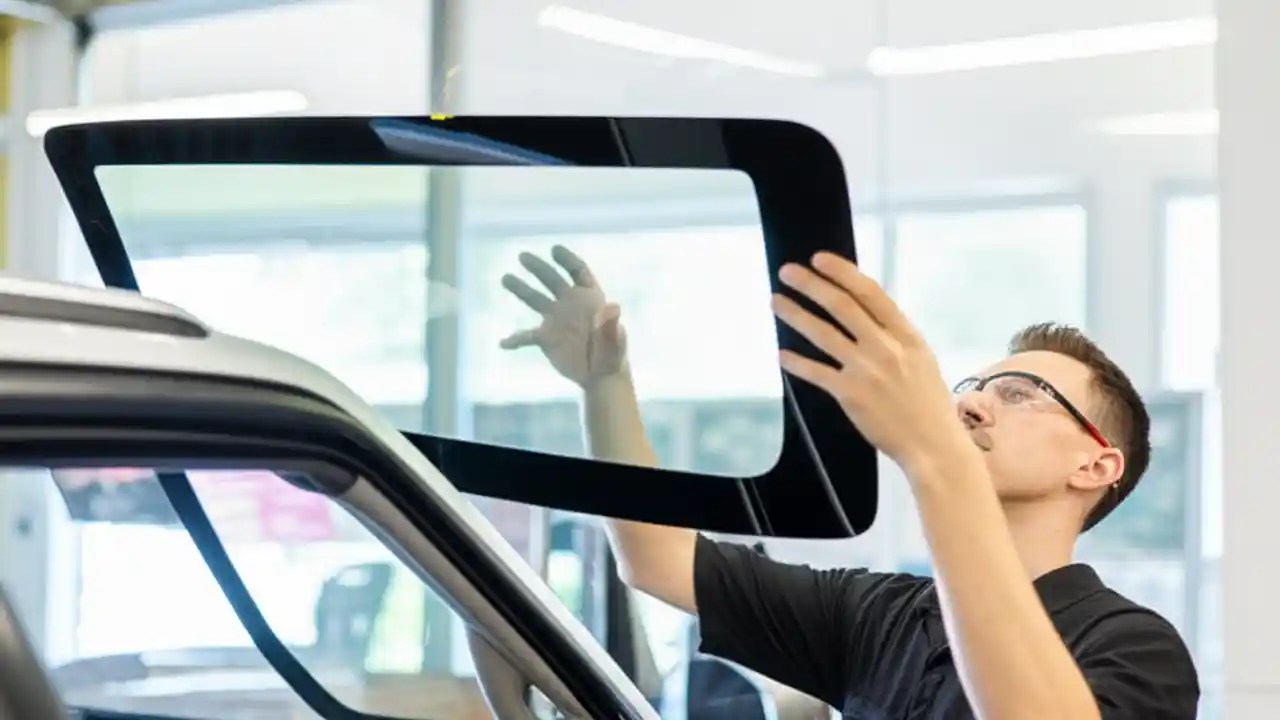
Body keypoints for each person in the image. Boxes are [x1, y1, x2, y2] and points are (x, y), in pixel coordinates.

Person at [499, 245, 1200, 719]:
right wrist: (605, 384)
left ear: (1096, 465)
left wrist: (936, 457)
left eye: (1018, 392)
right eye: (972, 386)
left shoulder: (1135, 646)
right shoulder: (876, 613)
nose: (972, 403)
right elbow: (656, 559)